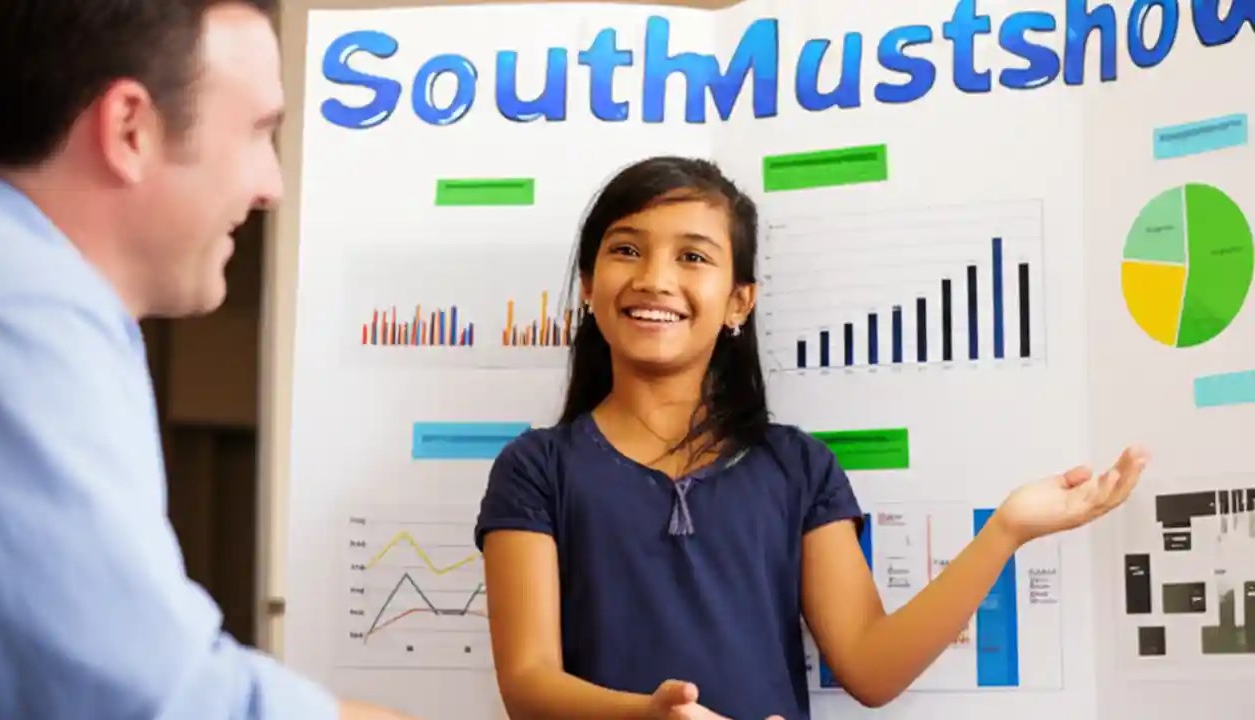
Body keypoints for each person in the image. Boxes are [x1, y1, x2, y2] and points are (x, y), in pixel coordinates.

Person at [474, 156, 1148, 720]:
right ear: (589, 286)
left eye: (692, 257)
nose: (654, 278)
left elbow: (871, 667)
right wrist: (645, 716)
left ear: (740, 301)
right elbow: (528, 684)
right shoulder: (536, 468)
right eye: (627, 250)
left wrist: (1006, 531)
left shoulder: (796, 466)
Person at [0, 2, 415, 719]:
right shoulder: (17, 309)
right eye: (258, 132)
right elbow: (151, 697)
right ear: (129, 130)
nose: (271, 184)